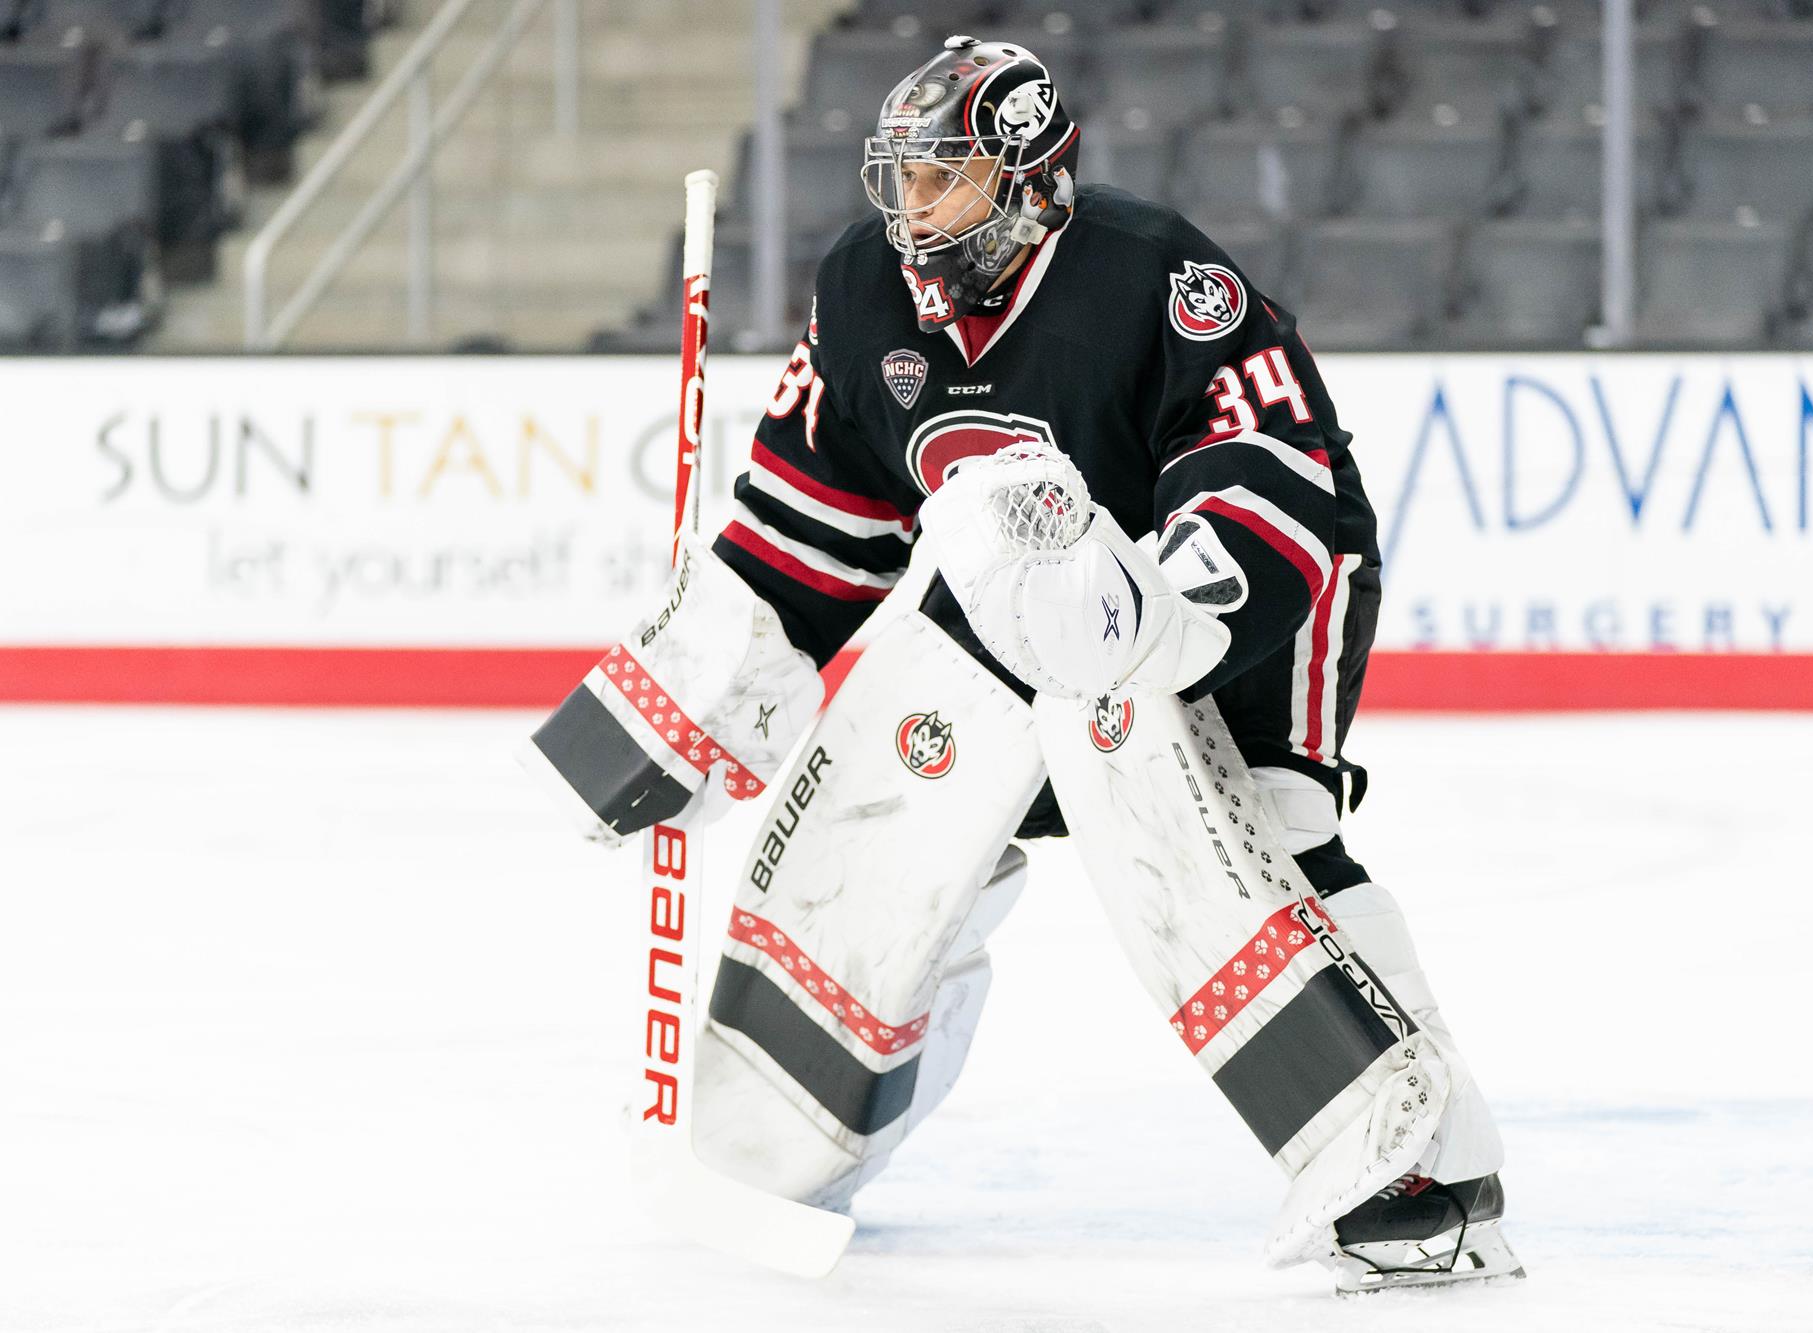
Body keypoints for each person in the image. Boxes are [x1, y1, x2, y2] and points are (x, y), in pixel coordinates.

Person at [524, 36, 1518, 1290]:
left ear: (1030, 181)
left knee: (1253, 829)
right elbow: (812, 525)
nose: (908, 206)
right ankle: (777, 1129)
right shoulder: (861, 288)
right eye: (900, 174)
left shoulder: (1153, 273)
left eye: (941, 177)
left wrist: (1153, 626)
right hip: (1008, 601)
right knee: (889, 805)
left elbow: (1275, 470)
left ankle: (1417, 1167)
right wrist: (680, 705)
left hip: (1247, 585)